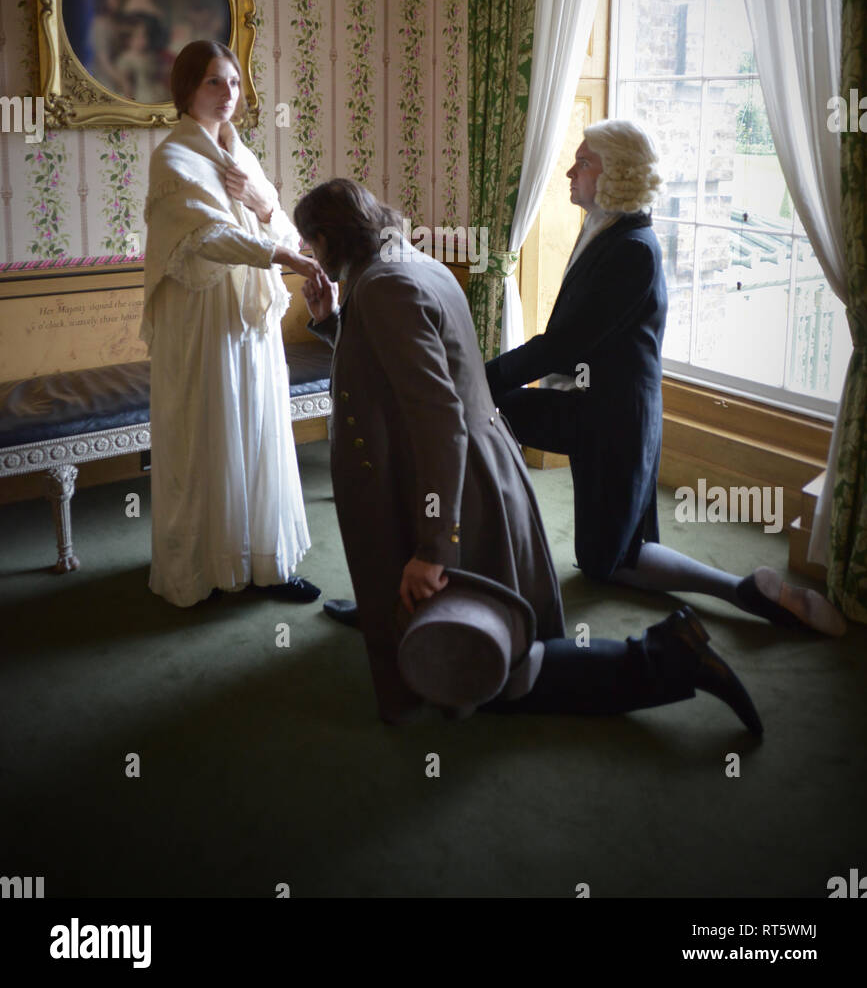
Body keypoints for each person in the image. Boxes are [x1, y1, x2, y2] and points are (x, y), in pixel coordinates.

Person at [295, 178, 764, 735]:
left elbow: (437, 416)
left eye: (308, 243)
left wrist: (432, 546)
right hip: (467, 466)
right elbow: (391, 368)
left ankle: (667, 656)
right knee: (466, 624)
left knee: (497, 665)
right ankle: (392, 617)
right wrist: (332, 323)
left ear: (327, 237)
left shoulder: (382, 286)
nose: (307, 255)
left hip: (454, 481)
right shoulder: (408, 260)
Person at [485, 118, 846, 637]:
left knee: (611, 561)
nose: (570, 170)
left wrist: (484, 375)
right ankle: (482, 544)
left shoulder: (631, 248)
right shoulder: (605, 230)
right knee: (493, 414)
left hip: (613, 421)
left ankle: (746, 589)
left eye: (583, 162)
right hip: (587, 405)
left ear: (616, 175)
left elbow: (562, 345)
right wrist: (487, 384)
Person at [140, 40, 321, 607]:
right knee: (209, 429)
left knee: (260, 423)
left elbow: (277, 219)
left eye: (235, 84)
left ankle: (267, 564)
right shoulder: (172, 159)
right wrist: (281, 256)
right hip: (201, 316)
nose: (227, 95)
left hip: (250, 316)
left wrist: (268, 212)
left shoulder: (243, 156)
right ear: (187, 88)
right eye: (214, 83)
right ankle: (206, 569)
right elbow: (208, 238)